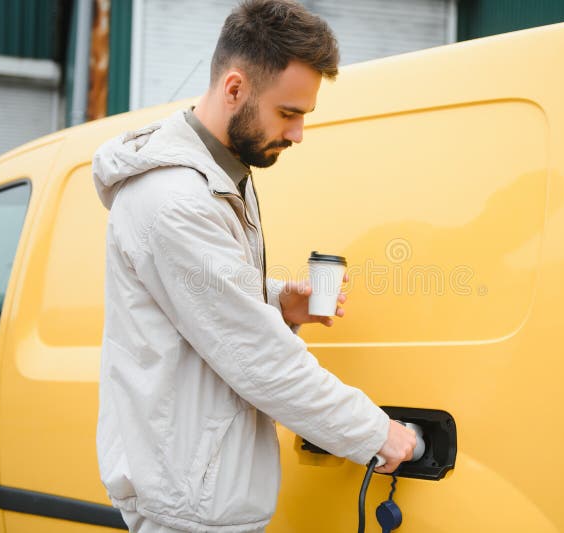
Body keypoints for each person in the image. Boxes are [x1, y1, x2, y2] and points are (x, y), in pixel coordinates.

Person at [92, 1, 417, 532]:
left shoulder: (219, 175)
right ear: (235, 89)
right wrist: (373, 433)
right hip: (189, 510)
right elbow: (259, 357)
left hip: (202, 496)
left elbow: (199, 302)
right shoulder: (175, 200)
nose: (298, 134)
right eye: (289, 113)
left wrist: (271, 300)